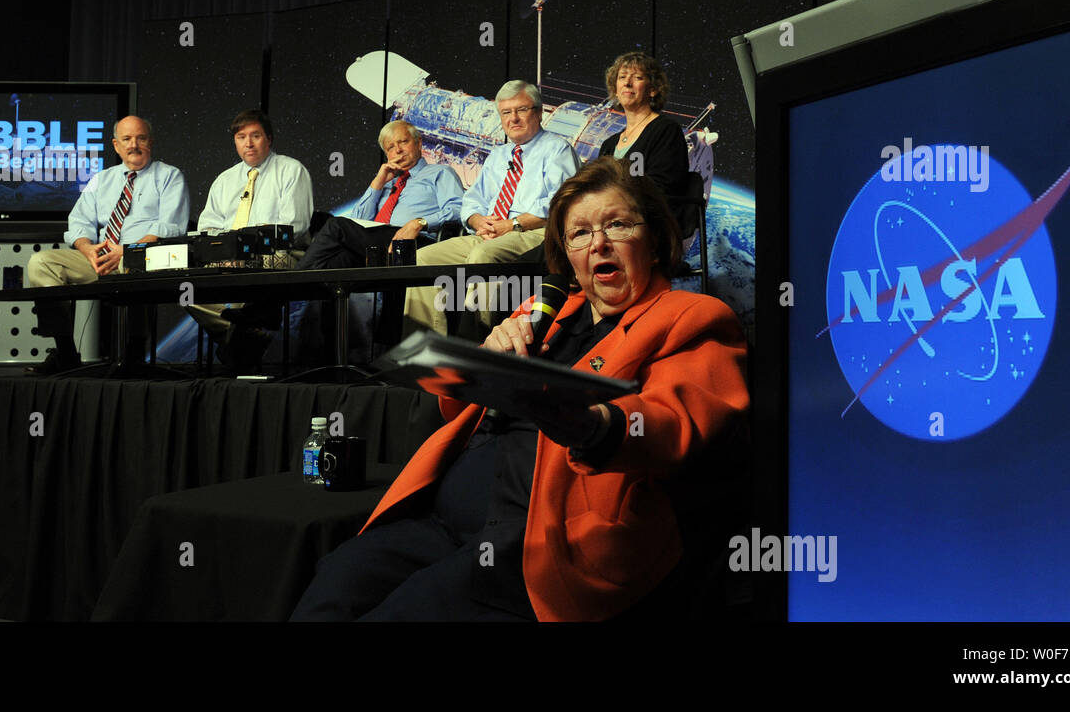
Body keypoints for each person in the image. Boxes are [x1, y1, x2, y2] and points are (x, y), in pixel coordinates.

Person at [291, 157, 749, 621]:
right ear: (567, 252)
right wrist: (484, 363)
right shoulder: (546, 309)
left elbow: (677, 424)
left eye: (618, 225)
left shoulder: (690, 316)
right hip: (440, 519)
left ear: (653, 243)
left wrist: (593, 423)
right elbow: (456, 412)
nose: (599, 244)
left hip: (539, 537)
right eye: (581, 234)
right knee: (335, 585)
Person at [404, 80, 581, 337]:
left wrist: (513, 224)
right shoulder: (499, 156)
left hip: (533, 233)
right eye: (506, 113)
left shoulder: (557, 149)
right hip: (491, 232)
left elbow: (560, 204)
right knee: (424, 259)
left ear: (539, 112)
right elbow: (472, 200)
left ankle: (476, 343)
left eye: (521, 110)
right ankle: (423, 348)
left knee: (483, 257)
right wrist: (477, 221)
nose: (514, 119)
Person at [25, 115, 189, 374]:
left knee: (133, 264)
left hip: (145, 256)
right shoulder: (101, 179)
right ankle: (66, 352)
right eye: (127, 139)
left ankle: (134, 357)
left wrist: (128, 251)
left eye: (141, 138)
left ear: (151, 142)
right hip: (101, 256)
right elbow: (78, 222)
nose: (134, 144)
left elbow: (171, 226)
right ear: (116, 145)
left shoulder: (169, 176)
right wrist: (87, 248)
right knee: (42, 262)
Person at [187, 109, 315, 364]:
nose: (248, 143)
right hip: (229, 258)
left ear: (268, 138)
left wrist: (246, 253)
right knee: (185, 281)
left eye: (255, 135)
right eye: (241, 137)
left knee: (263, 263)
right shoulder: (224, 180)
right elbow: (207, 227)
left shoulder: (291, 170)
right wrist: (224, 252)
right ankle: (240, 331)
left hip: (282, 256)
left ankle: (240, 333)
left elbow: (294, 227)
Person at [299, 120, 462, 270]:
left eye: (403, 142)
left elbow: (458, 210)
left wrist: (419, 223)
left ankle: (288, 285)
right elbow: (357, 221)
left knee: (336, 226)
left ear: (418, 143)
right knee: (335, 262)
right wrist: (378, 182)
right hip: (381, 245)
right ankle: (295, 293)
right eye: (390, 147)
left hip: (417, 241)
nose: (398, 150)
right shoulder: (387, 184)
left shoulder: (440, 172)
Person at [597, 52, 689, 201]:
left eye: (637, 77)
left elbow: (662, 189)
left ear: (653, 89)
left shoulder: (666, 131)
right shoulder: (609, 145)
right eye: (622, 77)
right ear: (615, 90)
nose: (627, 83)